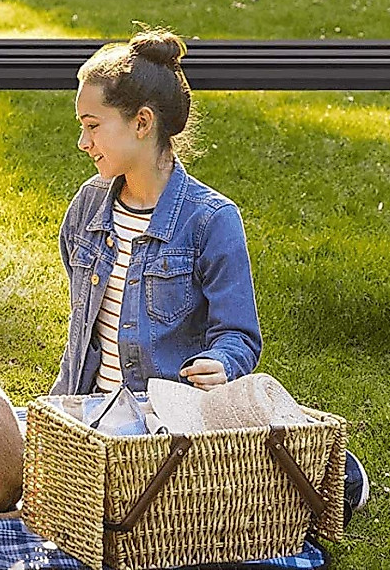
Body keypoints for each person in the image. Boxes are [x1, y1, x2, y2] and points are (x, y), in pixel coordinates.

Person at [51, 28, 368, 523]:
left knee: (177, 516)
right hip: (89, 415)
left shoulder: (210, 220)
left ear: (142, 123)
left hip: (169, 427)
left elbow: (238, 335)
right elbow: (83, 324)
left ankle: (335, 474)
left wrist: (221, 363)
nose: (82, 141)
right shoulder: (88, 207)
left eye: (92, 125)